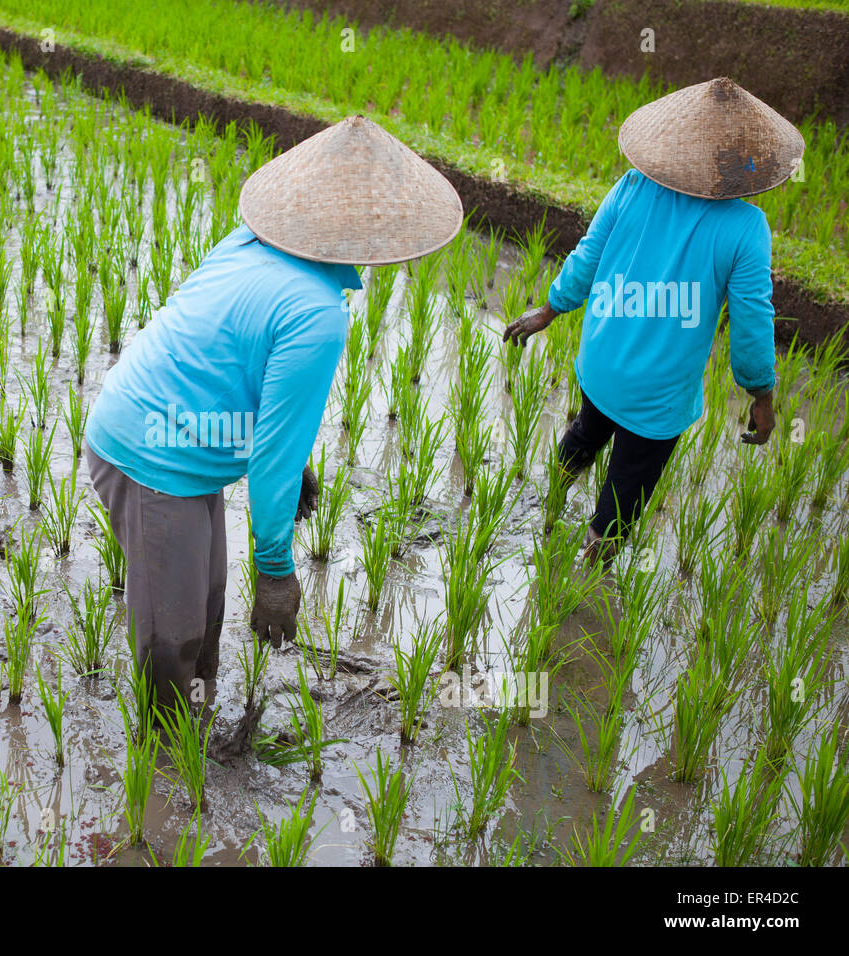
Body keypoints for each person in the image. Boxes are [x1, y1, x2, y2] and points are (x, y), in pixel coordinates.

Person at [84, 116, 463, 711]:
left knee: (205, 603)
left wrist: (297, 467)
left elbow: (243, 378)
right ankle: (161, 772)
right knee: (172, 635)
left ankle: (191, 732)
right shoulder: (317, 313)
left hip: (173, 441)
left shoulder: (248, 240)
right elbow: (272, 463)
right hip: (150, 456)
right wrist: (276, 573)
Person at [504, 77, 800, 565]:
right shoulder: (747, 227)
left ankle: (544, 512)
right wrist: (762, 395)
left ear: (675, 143)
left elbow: (587, 256)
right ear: (743, 161)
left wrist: (548, 310)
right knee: (624, 491)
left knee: (585, 431)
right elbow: (752, 322)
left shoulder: (635, 184)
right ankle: (584, 583)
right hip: (659, 396)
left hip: (601, 362)